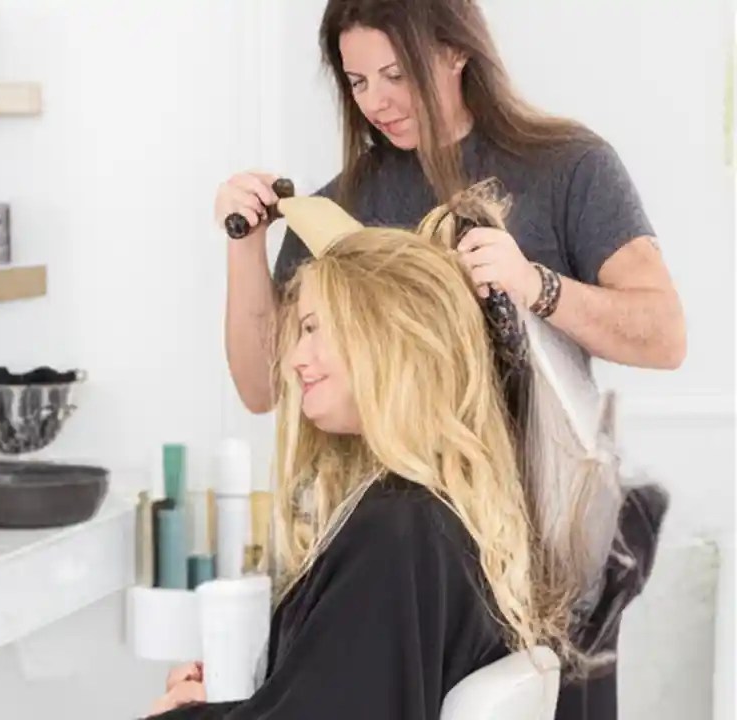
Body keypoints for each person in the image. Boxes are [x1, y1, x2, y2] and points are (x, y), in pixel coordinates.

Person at [215, 1, 685, 717]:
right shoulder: (337, 209)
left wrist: (536, 286)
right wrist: (244, 249)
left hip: (542, 555)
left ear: (456, 51)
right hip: (402, 566)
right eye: (357, 82)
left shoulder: (568, 168)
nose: (376, 101)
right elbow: (262, 387)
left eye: (395, 74)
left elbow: (664, 334)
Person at [147, 208, 574, 718]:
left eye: (313, 328)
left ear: (385, 339)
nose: (296, 358)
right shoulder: (425, 513)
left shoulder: (397, 530)